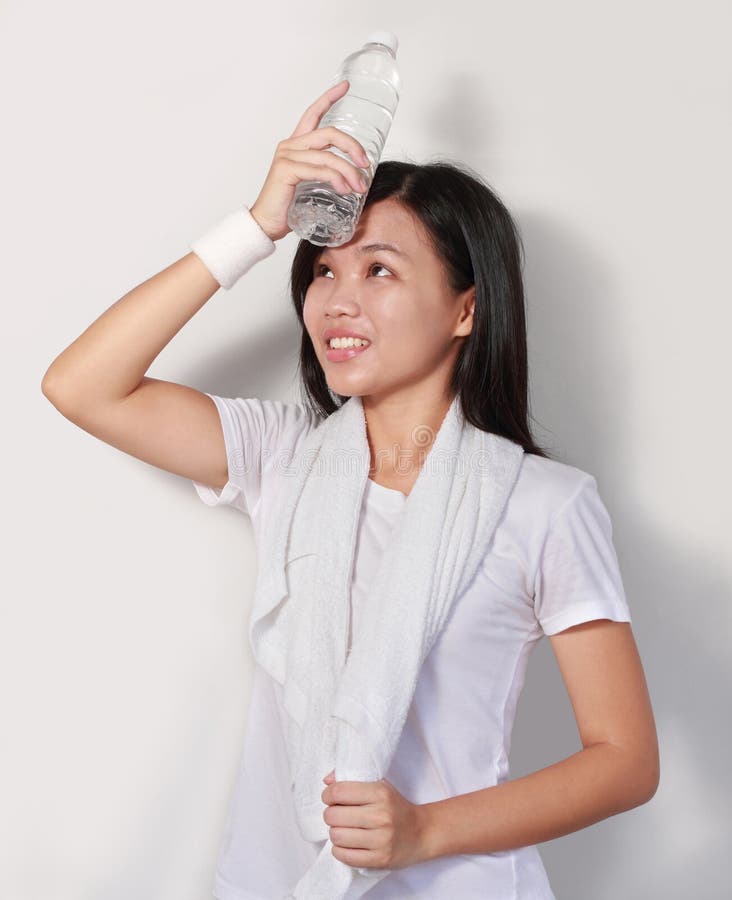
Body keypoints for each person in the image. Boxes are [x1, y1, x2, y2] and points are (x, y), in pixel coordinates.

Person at [41, 79, 660, 899]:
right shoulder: (282, 459)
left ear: (466, 309)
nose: (338, 300)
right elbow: (82, 385)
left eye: (379, 270)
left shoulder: (545, 504)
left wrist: (426, 830)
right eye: (323, 271)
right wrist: (259, 226)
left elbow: (624, 761)